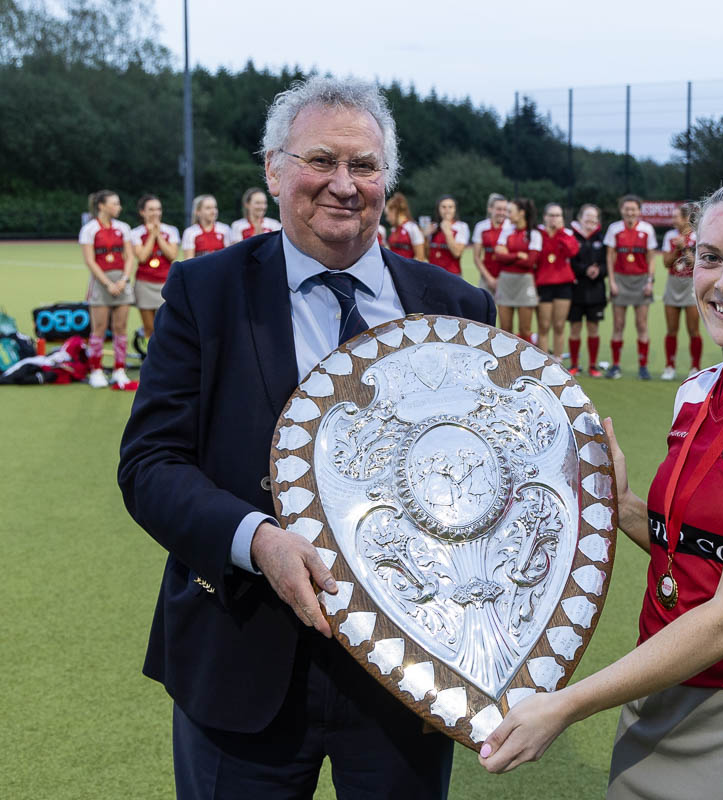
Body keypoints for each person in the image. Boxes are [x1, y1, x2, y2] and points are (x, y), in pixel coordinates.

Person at [118, 75, 495, 800]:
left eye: (364, 166)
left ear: (388, 178)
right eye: (321, 160)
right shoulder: (205, 292)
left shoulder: (457, 308)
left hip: (407, 678)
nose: (343, 185)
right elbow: (150, 464)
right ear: (273, 167)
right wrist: (256, 539)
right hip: (242, 656)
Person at [479, 160, 723, 800]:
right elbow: (694, 545)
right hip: (661, 692)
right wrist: (618, 504)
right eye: (710, 258)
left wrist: (566, 704)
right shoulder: (696, 392)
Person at [78, 189, 136, 388]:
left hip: (121, 281)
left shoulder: (124, 227)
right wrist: (108, 284)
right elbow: (90, 261)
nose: (118, 207)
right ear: (101, 206)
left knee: (120, 328)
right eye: (114, 203)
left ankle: (119, 369)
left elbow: (129, 256)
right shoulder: (89, 229)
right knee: (99, 329)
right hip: (101, 283)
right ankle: (96, 370)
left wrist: (124, 280)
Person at [604, 195, 658, 379]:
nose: (630, 212)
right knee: (618, 324)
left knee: (641, 324)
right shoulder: (614, 229)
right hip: (620, 279)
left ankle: (643, 367)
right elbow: (610, 257)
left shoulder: (647, 229)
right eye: (627, 209)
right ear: (621, 210)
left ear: (639, 211)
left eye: (633, 209)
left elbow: (652, 257)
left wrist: (650, 281)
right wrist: (612, 281)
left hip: (641, 280)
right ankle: (616, 365)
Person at [660, 203, 702, 380]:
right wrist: (676, 247)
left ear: (685, 219)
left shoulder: (698, 236)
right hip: (673, 284)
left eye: (676, 216)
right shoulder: (670, 235)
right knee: (671, 330)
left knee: (693, 330)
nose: (672, 220)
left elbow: (696, 263)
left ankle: (695, 367)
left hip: (691, 284)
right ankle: (669, 366)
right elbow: (666, 263)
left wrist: (684, 247)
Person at [131, 194, 180, 339]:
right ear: (142, 212)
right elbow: (142, 257)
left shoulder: (171, 230)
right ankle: (150, 359)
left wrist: (158, 235)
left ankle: (167, 360)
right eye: (151, 210)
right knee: (149, 328)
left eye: (158, 209)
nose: (156, 213)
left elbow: (172, 255)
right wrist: (152, 235)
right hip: (144, 283)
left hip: (165, 283)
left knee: (167, 327)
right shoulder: (136, 233)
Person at [535, 203, 580, 359]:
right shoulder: (538, 233)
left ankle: (558, 360)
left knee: (559, 325)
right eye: (551, 215)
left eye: (558, 215)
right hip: (543, 284)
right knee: (543, 326)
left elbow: (572, 251)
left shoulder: (566, 233)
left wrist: (559, 232)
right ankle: (543, 361)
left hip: (563, 285)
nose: (555, 219)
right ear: (545, 217)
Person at [568, 204, 608, 377]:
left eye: (594, 219)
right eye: (587, 218)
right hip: (576, 291)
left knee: (593, 328)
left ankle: (593, 365)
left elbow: (609, 264)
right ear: (580, 219)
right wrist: (584, 270)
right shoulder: (572, 238)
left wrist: (599, 271)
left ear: (598, 221)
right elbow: (570, 263)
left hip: (596, 291)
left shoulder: (603, 239)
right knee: (575, 328)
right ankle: (575, 364)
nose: (590, 222)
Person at [494, 197, 541, 339]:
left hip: (525, 282)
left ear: (522, 213)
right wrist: (518, 256)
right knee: (505, 330)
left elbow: (530, 262)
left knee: (525, 330)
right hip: (505, 282)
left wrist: (508, 255)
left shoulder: (534, 234)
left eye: (510, 211)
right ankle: (506, 362)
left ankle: (524, 361)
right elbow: (498, 257)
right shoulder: (507, 231)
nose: (507, 214)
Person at [471, 193, 510, 293]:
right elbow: (476, 257)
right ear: (490, 209)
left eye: (505, 209)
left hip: (507, 277)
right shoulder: (481, 227)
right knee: (484, 307)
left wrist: (501, 278)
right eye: (498, 209)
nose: (502, 212)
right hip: (486, 278)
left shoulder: (511, 227)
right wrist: (489, 279)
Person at [426, 195, 470, 275]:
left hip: (452, 275)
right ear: (438, 209)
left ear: (455, 209)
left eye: (450, 207)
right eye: (443, 207)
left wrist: (447, 232)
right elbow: (426, 255)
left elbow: (457, 253)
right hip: (433, 274)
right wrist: (425, 236)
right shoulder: (433, 227)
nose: (447, 210)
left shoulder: (461, 226)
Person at [181, 194, 233, 259]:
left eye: (215, 207)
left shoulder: (225, 229)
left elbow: (230, 257)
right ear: (198, 212)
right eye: (208, 208)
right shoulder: (190, 232)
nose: (213, 211)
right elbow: (189, 261)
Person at [385, 191, 426, 261]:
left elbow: (420, 257)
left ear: (394, 211)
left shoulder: (412, 228)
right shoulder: (394, 229)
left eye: (388, 215)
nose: (387, 219)